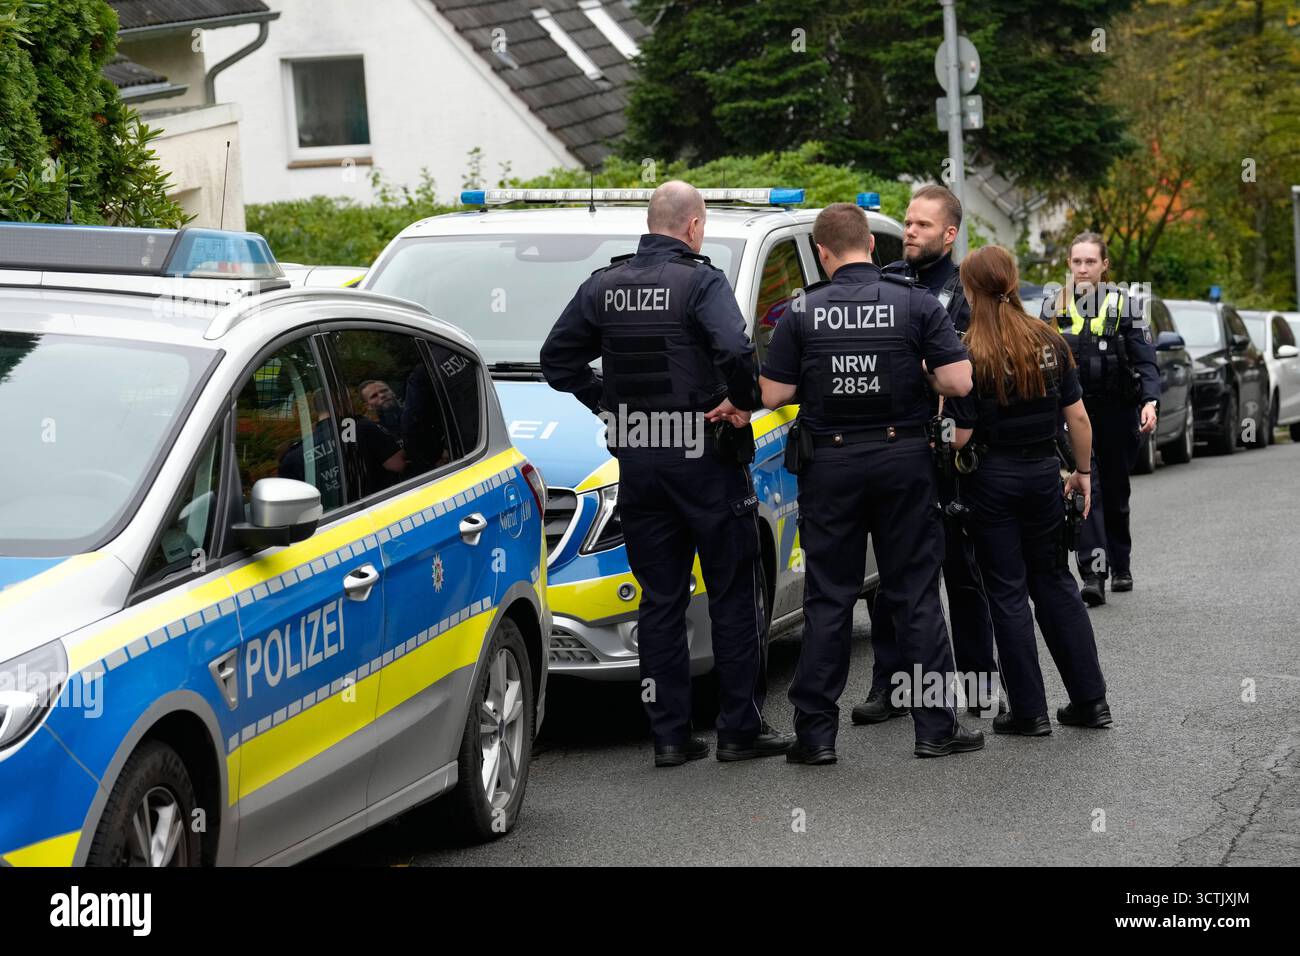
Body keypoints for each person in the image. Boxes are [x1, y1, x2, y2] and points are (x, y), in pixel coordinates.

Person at [540, 181, 793, 768]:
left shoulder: (603, 285)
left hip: (640, 459)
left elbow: (558, 361)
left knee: (660, 599)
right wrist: (742, 400)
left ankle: (670, 737)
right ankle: (738, 730)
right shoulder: (701, 281)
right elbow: (735, 346)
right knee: (732, 593)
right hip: (703, 456)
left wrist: (610, 403)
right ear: (693, 226)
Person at [759, 201, 984, 762]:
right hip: (903, 462)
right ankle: (935, 730)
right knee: (915, 598)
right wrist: (916, 368)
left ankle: (814, 737)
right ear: (870, 244)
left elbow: (772, 396)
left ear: (822, 252)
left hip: (830, 468)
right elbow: (959, 382)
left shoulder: (802, 309)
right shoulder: (914, 304)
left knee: (828, 600)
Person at [947, 245, 1112, 732]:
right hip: (1044, 475)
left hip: (990, 480)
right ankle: (1090, 701)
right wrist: (1082, 473)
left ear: (970, 288)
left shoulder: (966, 349)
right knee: (1056, 582)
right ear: (1014, 282)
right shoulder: (1049, 340)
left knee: (1006, 592)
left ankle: (1029, 711)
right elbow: (1078, 417)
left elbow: (960, 436)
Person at [853, 184, 1000, 725]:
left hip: (956, 455)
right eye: (908, 224)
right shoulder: (884, 284)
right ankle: (892, 687)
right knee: (895, 580)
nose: (909, 232)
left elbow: (981, 373)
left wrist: (962, 430)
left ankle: (981, 685)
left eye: (921, 225)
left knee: (964, 578)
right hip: (897, 450)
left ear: (950, 233)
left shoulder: (971, 293)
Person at [1042, 233, 1159, 605]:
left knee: (1115, 489)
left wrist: (1150, 402)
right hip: (1074, 411)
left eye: (1090, 262)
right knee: (1085, 483)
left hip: (1117, 409)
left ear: (1104, 265)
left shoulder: (1128, 306)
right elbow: (1039, 358)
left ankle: (1120, 563)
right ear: (1069, 265)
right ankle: (1093, 573)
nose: (1082, 269)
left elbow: (1145, 359)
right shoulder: (1054, 305)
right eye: (1076, 262)